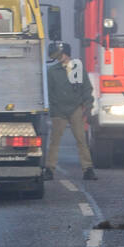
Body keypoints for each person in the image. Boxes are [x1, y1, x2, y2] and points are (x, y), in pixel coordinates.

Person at [45, 43, 97, 181]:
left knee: (81, 140)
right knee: (54, 141)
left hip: (75, 109)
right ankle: (49, 169)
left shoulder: (78, 69)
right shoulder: (52, 72)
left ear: (66, 54)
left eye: (59, 54)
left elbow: (86, 89)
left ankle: (88, 169)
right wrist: (53, 109)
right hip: (59, 111)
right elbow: (49, 92)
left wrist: (88, 107)